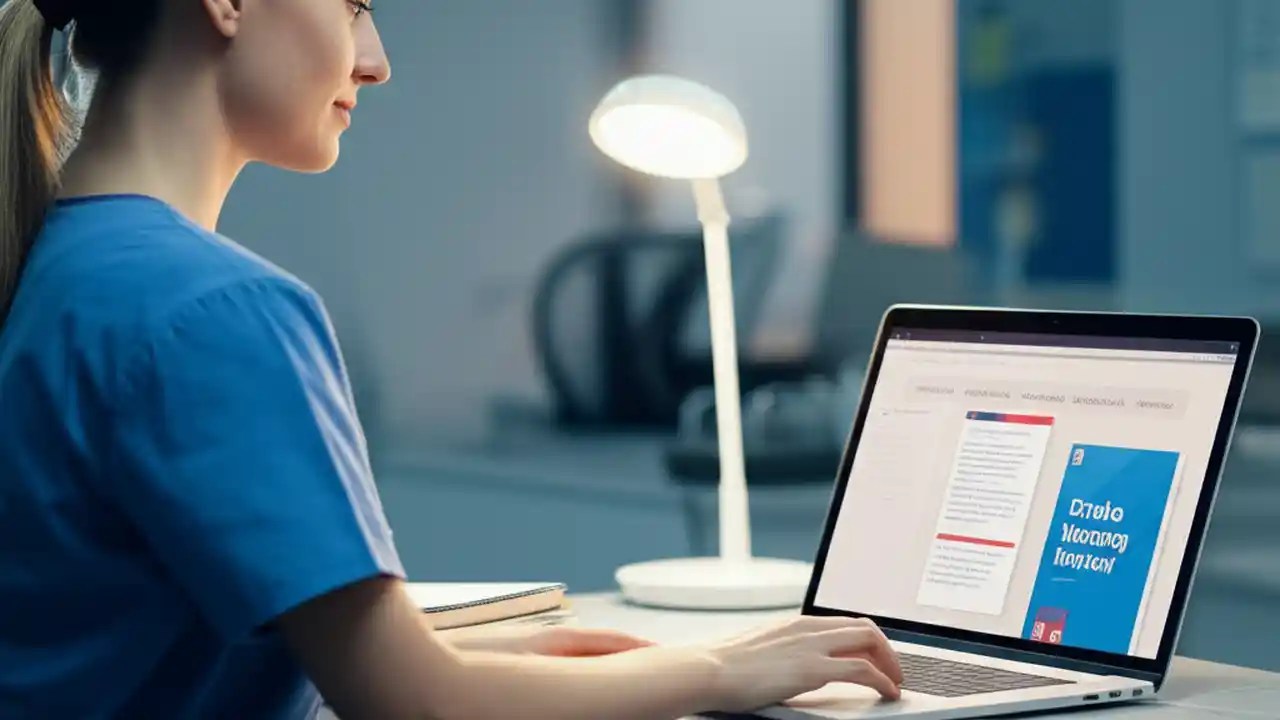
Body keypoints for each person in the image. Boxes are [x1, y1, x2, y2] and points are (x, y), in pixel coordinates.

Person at [0, 0, 904, 717]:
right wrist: (719, 672)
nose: (376, 60)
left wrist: (495, 654)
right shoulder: (215, 311)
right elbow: (416, 702)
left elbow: (168, 637)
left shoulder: (57, 271)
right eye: (354, 5)